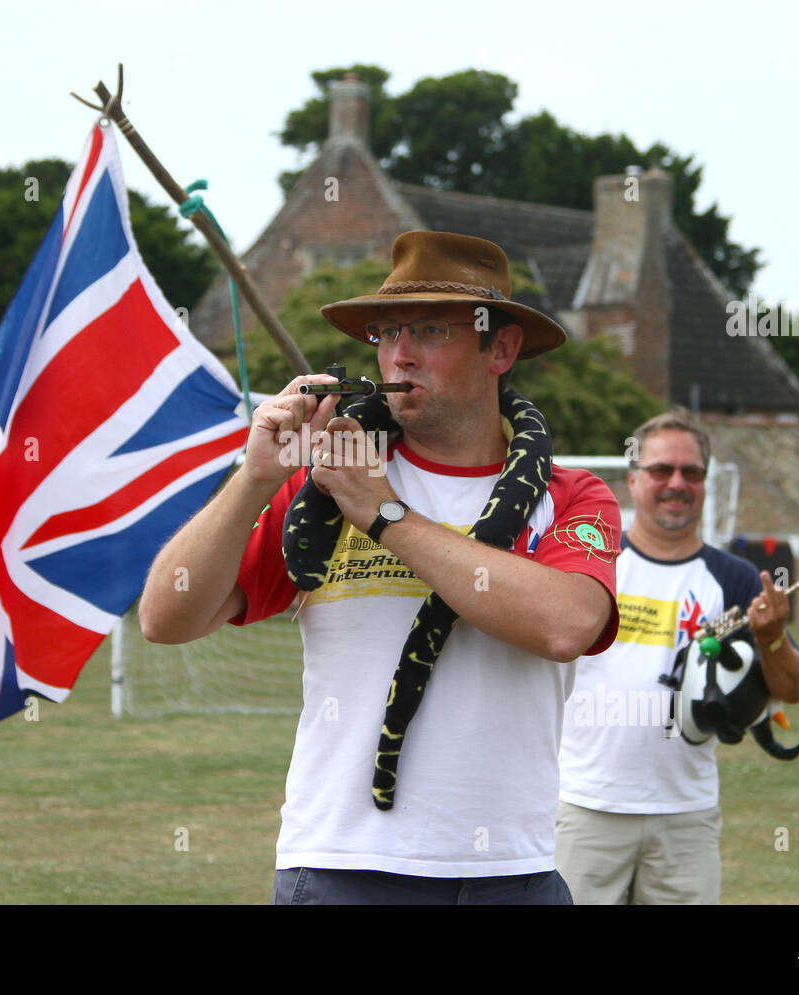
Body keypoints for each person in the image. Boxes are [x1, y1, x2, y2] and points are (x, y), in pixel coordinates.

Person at [140, 231, 621, 905]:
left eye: (430, 329)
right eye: (388, 331)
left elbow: (567, 623)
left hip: (512, 871)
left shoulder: (571, 495)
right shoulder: (325, 487)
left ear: (501, 349)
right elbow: (167, 615)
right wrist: (253, 479)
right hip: (342, 868)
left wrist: (386, 514)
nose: (400, 353)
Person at [555, 408, 799, 904]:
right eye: (661, 471)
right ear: (632, 481)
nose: (677, 483)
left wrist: (773, 636)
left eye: (691, 472)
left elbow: (792, 689)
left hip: (685, 817)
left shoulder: (734, 577)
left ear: (706, 484)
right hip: (586, 806)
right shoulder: (594, 564)